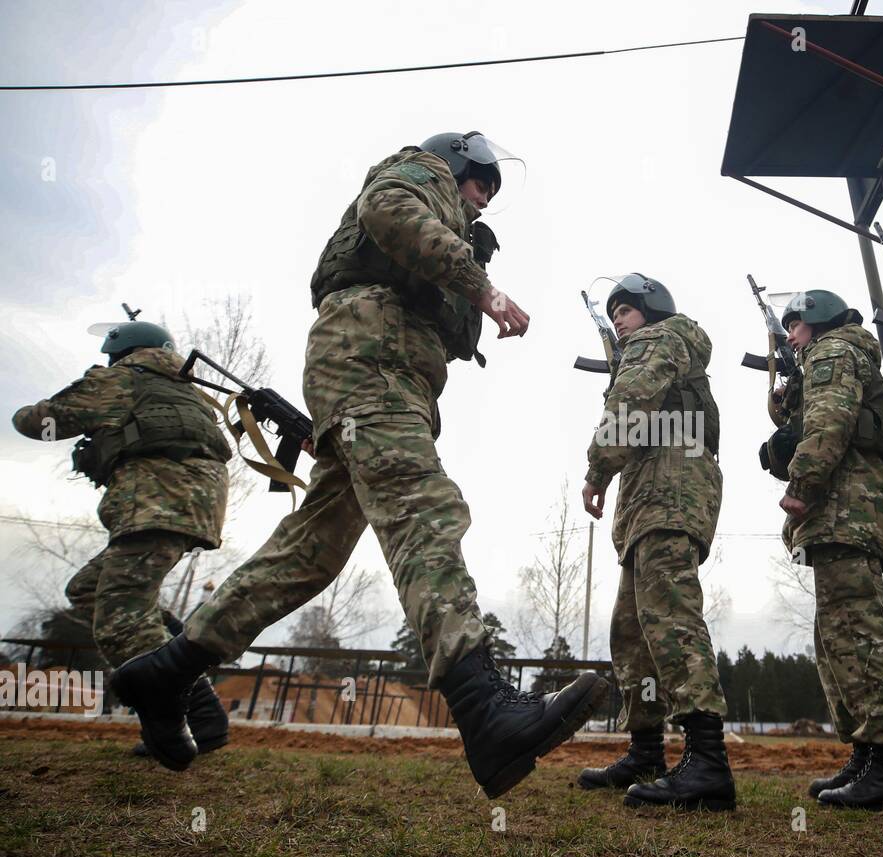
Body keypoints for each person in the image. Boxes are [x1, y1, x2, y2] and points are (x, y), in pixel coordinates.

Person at [113, 131, 606, 794]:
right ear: (454, 162)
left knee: (310, 552)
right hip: (372, 359)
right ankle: (482, 706)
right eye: (478, 181)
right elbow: (390, 212)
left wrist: (467, 289)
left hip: (386, 370)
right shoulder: (420, 170)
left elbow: (449, 330)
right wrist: (481, 287)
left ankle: (168, 670)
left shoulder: (459, 225)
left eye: (491, 192)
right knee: (421, 505)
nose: (483, 196)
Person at [13, 318, 231, 756]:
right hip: (196, 506)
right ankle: (174, 654)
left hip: (154, 502)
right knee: (88, 590)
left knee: (119, 622)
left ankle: (196, 718)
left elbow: (38, 422)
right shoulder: (187, 388)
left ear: (120, 352)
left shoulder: (120, 380)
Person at [579, 273, 733, 811]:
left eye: (627, 308)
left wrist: (597, 469)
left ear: (653, 309)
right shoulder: (656, 345)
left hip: (672, 488)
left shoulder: (662, 338)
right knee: (633, 629)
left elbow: (631, 399)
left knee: (671, 615)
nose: (619, 318)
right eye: (614, 311)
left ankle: (708, 761)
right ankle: (646, 751)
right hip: (648, 495)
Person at [764, 290, 883, 811]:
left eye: (795, 325)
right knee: (835, 635)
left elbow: (830, 422)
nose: (790, 336)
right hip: (846, 508)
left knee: (856, 628)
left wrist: (801, 484)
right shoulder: (829, 358)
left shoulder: (834, 350)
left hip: (845, 505)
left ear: (821, 320)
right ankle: (867, 754)